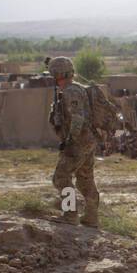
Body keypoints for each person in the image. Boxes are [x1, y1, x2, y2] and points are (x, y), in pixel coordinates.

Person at [48, 56, 101, 226]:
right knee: (85, 178)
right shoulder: (75, 89)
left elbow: (78, 117)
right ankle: (91, 217)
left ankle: (70, 214)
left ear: (57, 73)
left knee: (61, 177)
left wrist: (70, 140)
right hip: (87, 140)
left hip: (78, 142)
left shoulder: (71, 91)